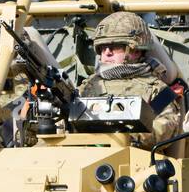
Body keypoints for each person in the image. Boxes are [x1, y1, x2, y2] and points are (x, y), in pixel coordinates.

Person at [76, 11, 181, 148]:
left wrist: (130, 138)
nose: (107, 52)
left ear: (135, 51)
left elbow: (165, 127)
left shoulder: (157, 89)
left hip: (136, 160)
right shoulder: (87, 86)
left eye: (115, 46)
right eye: (102, 47)